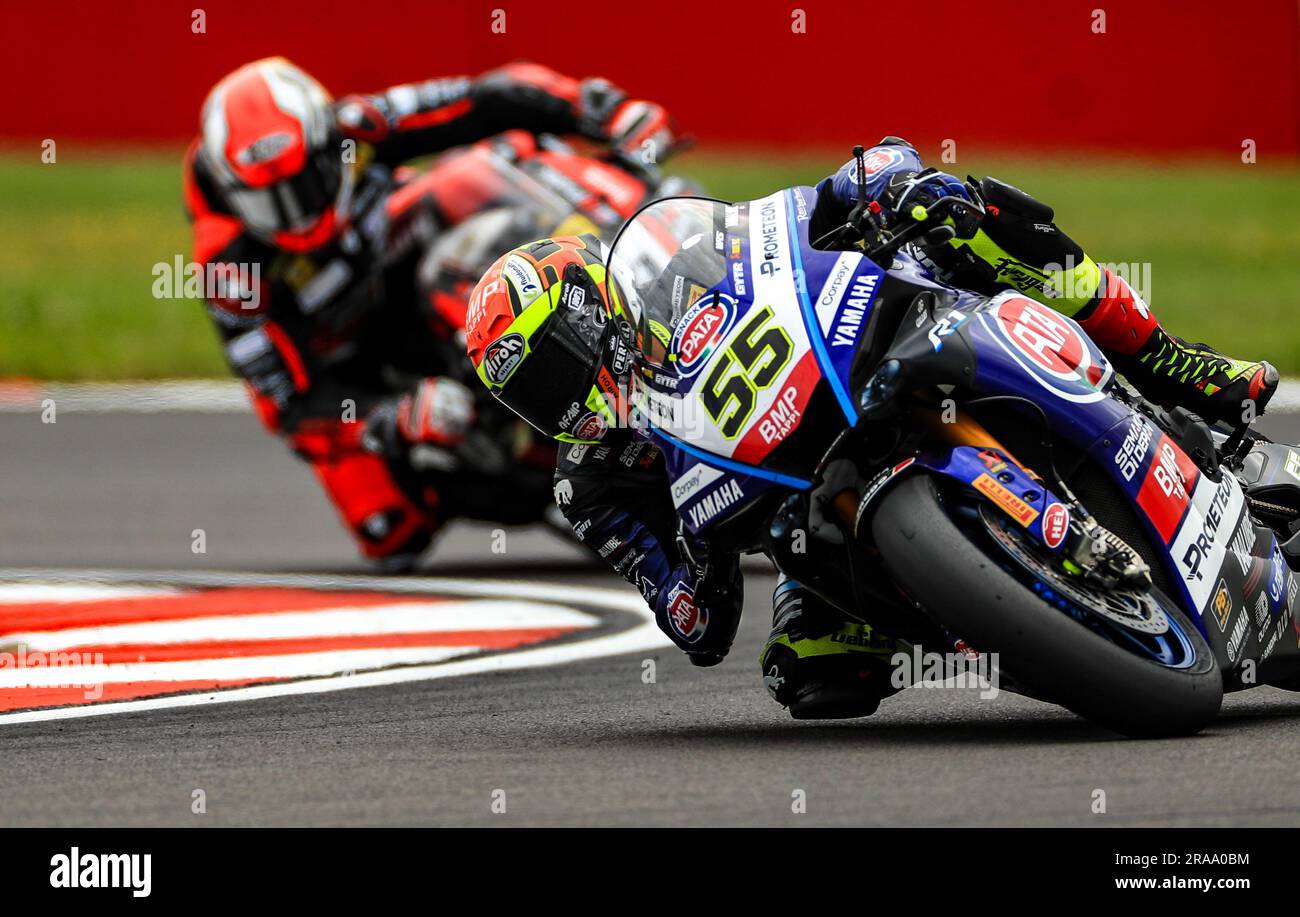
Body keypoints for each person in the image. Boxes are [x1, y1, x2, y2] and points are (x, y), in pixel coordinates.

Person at [462, 138, 1279, 717]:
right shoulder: (590, 484)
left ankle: (1175, 364)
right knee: (811, 678)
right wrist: (694, 544)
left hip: (873, 345)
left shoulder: (676, 278)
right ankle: (1032, 623)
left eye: (554, 366)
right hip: (809, 515)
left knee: (976, 213)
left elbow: (806, 204)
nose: (559, 401)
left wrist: (892, 183)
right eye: (532, 395)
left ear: (589, 313)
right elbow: (697, 626)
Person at [183, 56, 675, 569]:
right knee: (390, 531)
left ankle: (642, 235)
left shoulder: (356, 126)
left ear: (327, 142)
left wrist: (601, 109)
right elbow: (287, 405)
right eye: (271, 204)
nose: (297, 214)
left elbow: (485, 96)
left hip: (426, 269)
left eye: (306, 185)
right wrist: (389, 416)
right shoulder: (228, 272)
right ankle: (567, 475)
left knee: (479, 169)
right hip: (362, 367)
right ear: (232, 194)